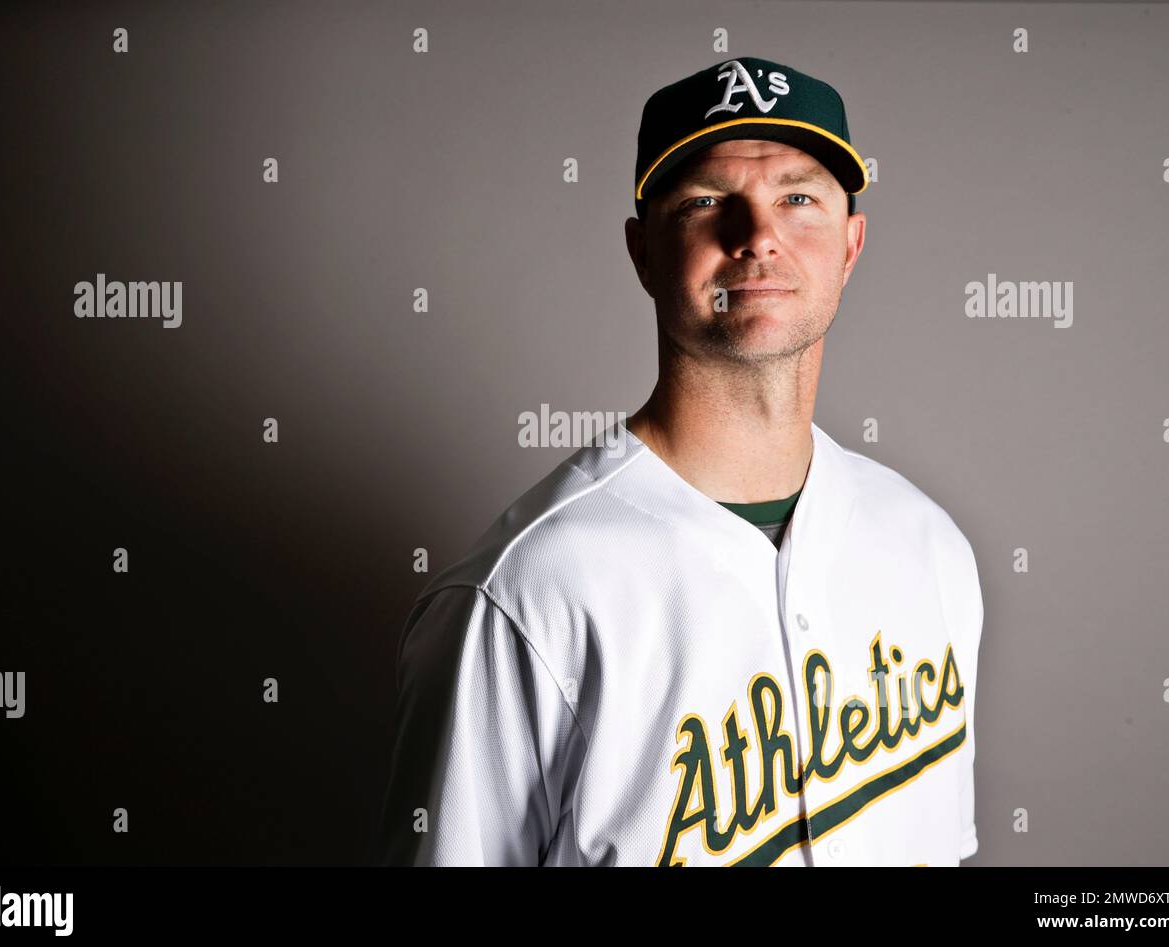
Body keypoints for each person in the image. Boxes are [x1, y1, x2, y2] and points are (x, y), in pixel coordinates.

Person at [378, 56, 984, 867]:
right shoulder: (526, 595)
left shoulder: (929, 544)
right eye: (706, 201)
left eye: (797, 197)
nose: (758, 235)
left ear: (851, 243)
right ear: (643, 253)